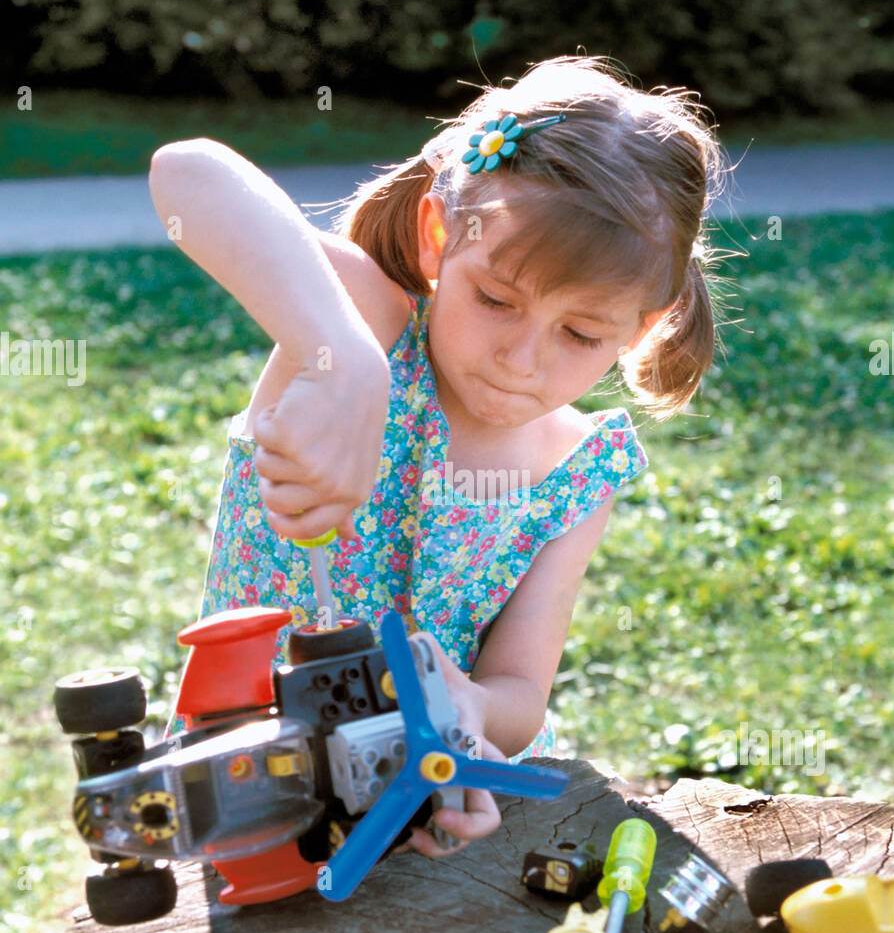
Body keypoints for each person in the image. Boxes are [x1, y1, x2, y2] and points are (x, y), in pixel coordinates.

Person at [148, 53, 725, 859]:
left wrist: (470, 711)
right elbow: (187, 174)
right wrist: (341, 362)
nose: (521, 359)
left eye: (580, 333)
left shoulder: (577, 474)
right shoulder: (365, 324)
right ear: (437, 235)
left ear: (642, 326)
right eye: (495, 299)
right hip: (248, 788)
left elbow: (521, 689)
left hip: (433, 799)